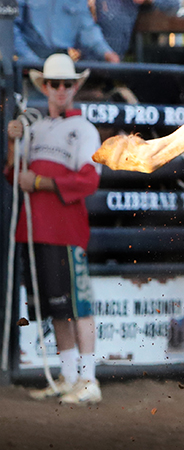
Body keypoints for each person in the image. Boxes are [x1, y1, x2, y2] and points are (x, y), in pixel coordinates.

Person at [4, 53, 104, 404]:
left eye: (66, 84)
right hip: (35, 231)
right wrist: (14, 140)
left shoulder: (85, 130)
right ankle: (68, 375)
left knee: (76, 305)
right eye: (54, 84)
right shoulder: (37, 127)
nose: (60, 90)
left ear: (75, 87)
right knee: (56, 308)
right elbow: (14, 173)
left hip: (66, 232)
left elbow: (88, 181)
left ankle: (89, 380)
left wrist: (41, 180)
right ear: (45, 87)